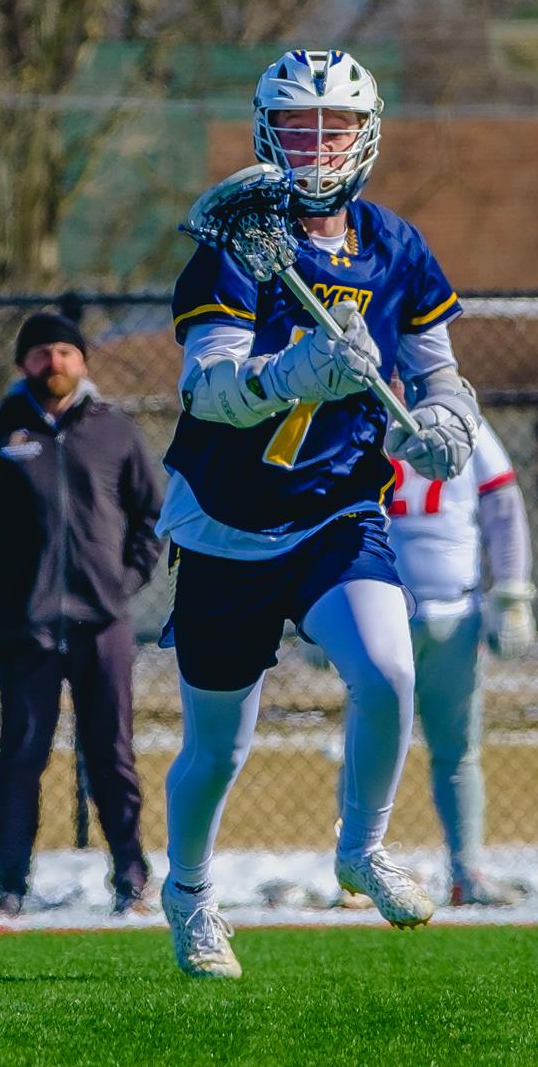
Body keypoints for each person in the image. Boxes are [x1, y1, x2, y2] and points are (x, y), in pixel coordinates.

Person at [157, 48, 478, 978]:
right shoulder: (238, 244)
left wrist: (447, 426)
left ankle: (362, 847)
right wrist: (294, 372)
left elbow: (438, 373)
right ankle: (190, 895)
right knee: (218, 747)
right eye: (299, 127)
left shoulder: (395, 245)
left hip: (338, 509)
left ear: (368, 133)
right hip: (225, 520)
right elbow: (207, 388)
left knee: (386, 670)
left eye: (335, 126)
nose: (318, 145)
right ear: (266, 134)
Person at [0, 309, 164, 917]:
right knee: (22, 754)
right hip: (27, 628)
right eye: (42, 353)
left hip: (103, 623)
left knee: (112, 755)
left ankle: (131, 879)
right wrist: (5, 595)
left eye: (65, 352)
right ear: (23, 364)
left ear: (83, 361)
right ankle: (11, 887)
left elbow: (151, 520)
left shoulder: (115, 431)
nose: (55, 363)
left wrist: (123, 583)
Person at [381, 421, 536, 906]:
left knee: (456, 750)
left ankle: (466, 870)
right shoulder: (353, 415)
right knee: (372, 750)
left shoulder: (463, 420)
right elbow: (505, 511)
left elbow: (502, 505)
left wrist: (511, 593)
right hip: (382, 612)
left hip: (451, 612)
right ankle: (361, 872)